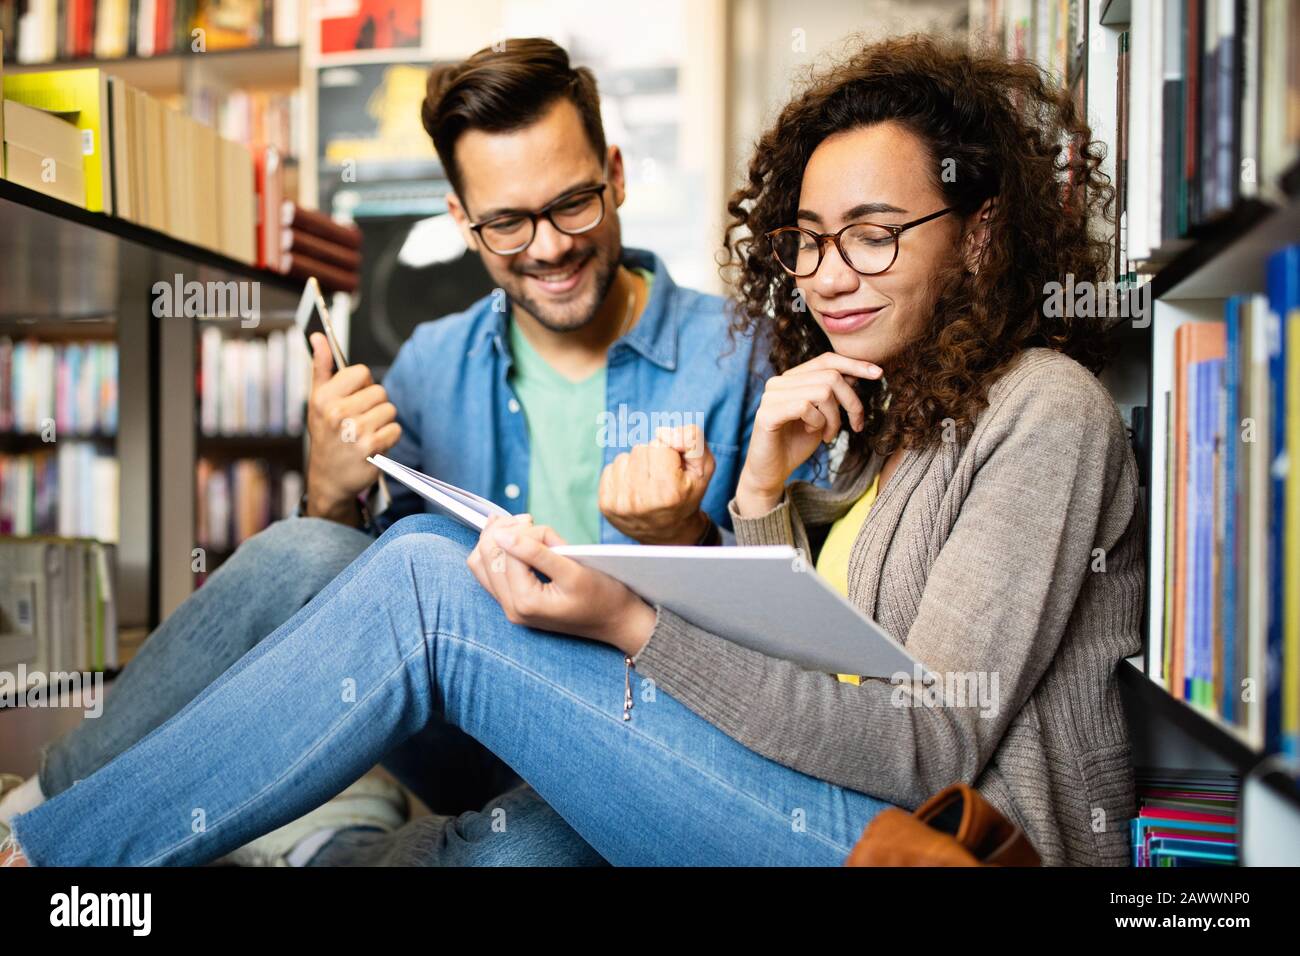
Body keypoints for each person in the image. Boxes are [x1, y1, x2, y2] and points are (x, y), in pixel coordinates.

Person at [3, 33, 1142, 868]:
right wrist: (755, 496)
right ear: (462, 219)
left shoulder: (1042, 410)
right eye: (807, 242)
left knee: (458, 670)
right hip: (737, 765)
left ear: (981, 228)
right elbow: (809, 658)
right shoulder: (881, 418)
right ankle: (66, 827)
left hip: (916, 839)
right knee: (335, 553)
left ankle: (70, 865)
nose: (831, 274)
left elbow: (920, 739)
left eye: (874, 235)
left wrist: (635, 604)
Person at [0, 38, 790, 867]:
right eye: (507, 222)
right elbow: (366, 615)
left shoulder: (741, 355)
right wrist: (329, 490)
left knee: (517, 858)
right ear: (460, 220)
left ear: (617, 174)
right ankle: (35, 814)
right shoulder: (432, 362)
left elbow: (788, 639)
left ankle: (338, 842)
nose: (550, 247)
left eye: (573, 204)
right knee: (307, 547)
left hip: (634, 742)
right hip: (466, 736)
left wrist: (685, 537)